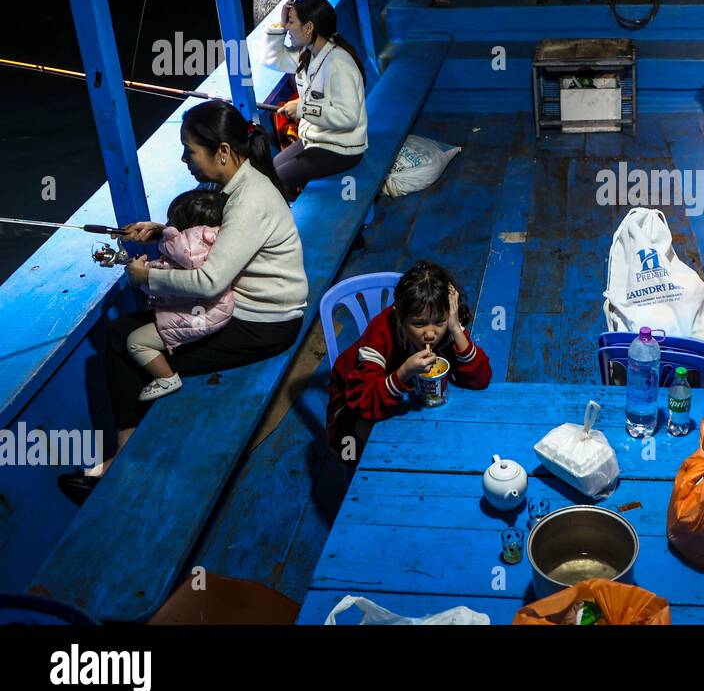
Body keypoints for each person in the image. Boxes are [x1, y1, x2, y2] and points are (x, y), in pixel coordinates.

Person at [58, 101, 309, 505]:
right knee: (125, 334)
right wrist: (162, 232)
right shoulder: (245, 183)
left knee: (126, 345)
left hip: (263, 323)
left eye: (190, 150)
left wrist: (147, 276)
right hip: (245, 308)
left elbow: (209, 280)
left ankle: (126, 466)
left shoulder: (249, 200)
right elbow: (215, 239)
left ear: (222, 152)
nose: (185, 159)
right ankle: (128, 453)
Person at [325, 261, 491, 460]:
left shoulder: (449, 323)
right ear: (400, 317)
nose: (430, 334)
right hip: (351, 413)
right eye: (418, 324)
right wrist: (404, 372)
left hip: (402, 402)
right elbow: (364, 402)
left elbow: (481, 379)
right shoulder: (380, 333)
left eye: (439, 322)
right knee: (384, 458)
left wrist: (455, 329)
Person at [127, 188, 235, 402]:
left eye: (171, 221)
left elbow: (160, 283)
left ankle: (167, 378)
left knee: (135, 341)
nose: (168, 226)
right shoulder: (218, 238)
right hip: (219, 310)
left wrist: (140, 275)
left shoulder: (181, 250)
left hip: (199, 318)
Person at [264, 0, 368, 197]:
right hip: (316, 139)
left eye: (292, 22)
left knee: (276, 180)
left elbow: (348, 117)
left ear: (309, 27)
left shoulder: (339, 63)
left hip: (341, 148)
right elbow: (272, 59)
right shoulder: (308, 53)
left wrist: (302, 108)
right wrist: (281, 25)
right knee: (268, 172)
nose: (289, 29)